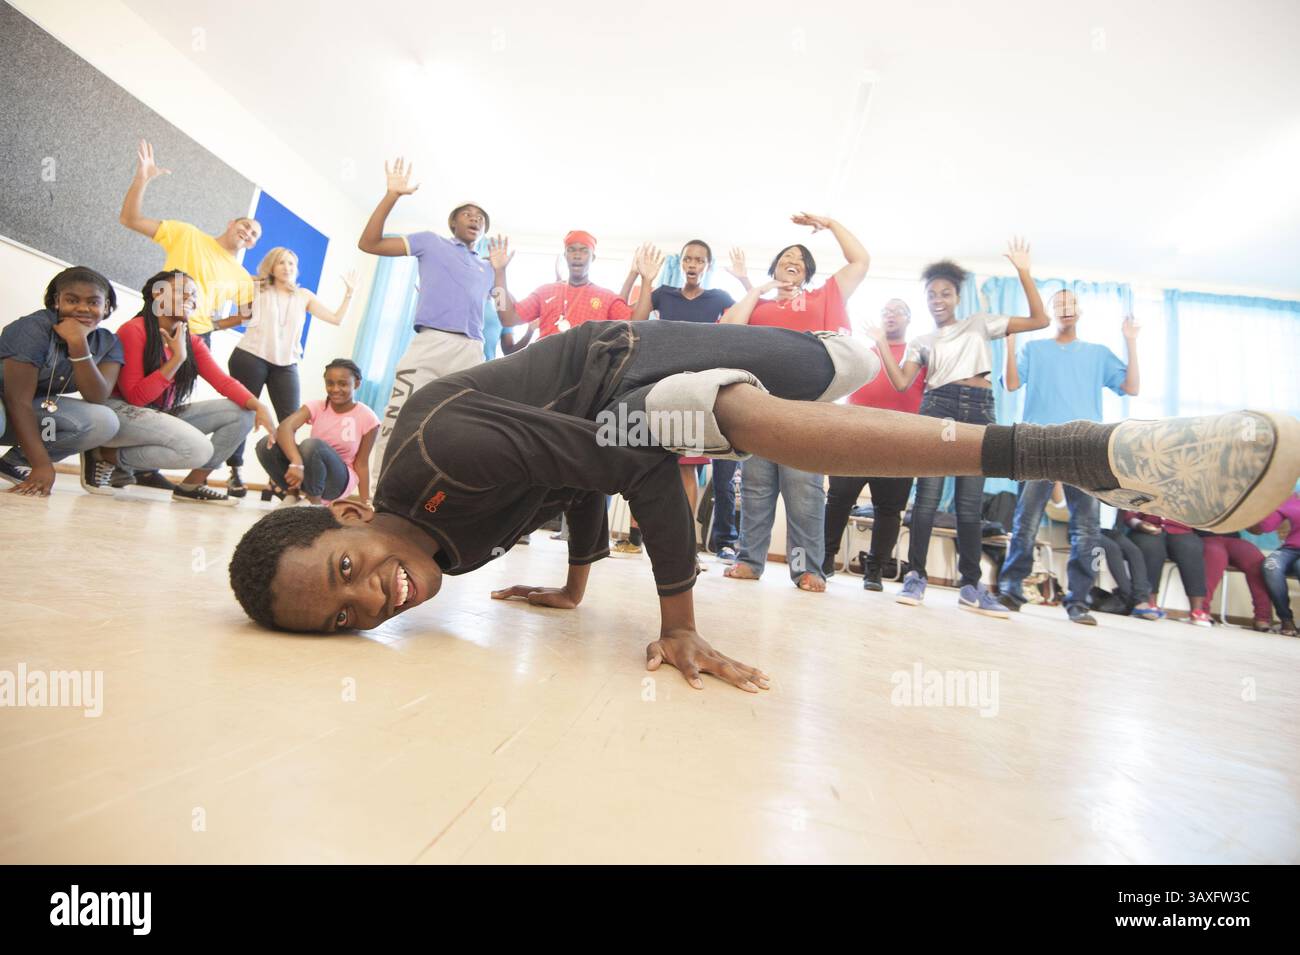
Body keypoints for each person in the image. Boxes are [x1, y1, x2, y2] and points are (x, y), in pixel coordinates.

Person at [229, 319, 1299, 692]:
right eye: (348, 618)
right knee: (690, 419)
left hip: (651, 358)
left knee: (772, 388)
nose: (374, 598)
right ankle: (1087, 452)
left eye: (345, 574)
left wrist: (679, 623)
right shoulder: (435, 548)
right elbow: (564, 475)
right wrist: (574, 582)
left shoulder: (440, 453)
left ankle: (1023, 424)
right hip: (631, 402)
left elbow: (631, 467)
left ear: (345, 518)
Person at [870, 239, 1050, 616]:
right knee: (927, 498)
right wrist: (881, 343)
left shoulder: (979, 323)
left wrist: (1023, 271)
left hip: (979, 410)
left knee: (969, 505)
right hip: (938, 408)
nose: (938, 299)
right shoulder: (922, 341)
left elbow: (1040, 320)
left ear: (957, 297)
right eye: (931, 294)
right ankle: (915, 576)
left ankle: (970, 585)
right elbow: (902, 382)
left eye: (945, 293)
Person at [721, 214, 871, 591]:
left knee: (804, 494)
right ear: (775, 267)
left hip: (806, 410)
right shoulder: (757, 305)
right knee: (756, 491)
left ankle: (806, 568)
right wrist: (758, 289)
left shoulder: (824, 296)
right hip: (758, 408)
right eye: (787, 256)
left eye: (801, 259)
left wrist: (831, 224)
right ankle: (749, 561)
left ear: (808, 273)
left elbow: (860, 261)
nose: (794, 260)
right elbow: (726, 330)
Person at [357, 158, 513, 480]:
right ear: (452, 223)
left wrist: (500, 271)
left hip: (470, 352)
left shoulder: (486, 268)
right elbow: (368, 243)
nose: (475, 218)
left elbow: (503, 310)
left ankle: (441, 496)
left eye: (481, 217)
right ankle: (378, 493)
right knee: (399, 417)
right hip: (430, 344)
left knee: (461, 430)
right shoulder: (430, 242)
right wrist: (392, 196)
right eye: (467, 213)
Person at [997, 290, 1142, 625]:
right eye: (1059, 304)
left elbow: (1131, 387)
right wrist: (1009, 343)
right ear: (1051, 313)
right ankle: (1010, 591)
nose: (1065, 308)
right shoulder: (1034, 349)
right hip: (1038, 443)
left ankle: (1078, 601)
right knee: (1025, 522)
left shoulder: (1098, 353)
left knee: (1086, 528)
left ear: (1080, 311)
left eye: (1070, 303)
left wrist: (1130, 341)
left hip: (1084, 446)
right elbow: (1011, 384)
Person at [95, 271, 274, 504]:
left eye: (194, 294)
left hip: (157, 414)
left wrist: (259, 406)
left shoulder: (191, 341)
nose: (191, 298)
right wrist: (177, 359)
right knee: (197, 449)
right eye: (182, 291)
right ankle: (104, 455)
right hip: (121, 413)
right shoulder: (134, 330)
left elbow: (223, 382)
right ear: (158, 294)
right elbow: (136, 397)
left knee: (243, 413)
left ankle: (192, 485)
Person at [223, 247, 358, 497]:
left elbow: (336, 319)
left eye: (292, 264)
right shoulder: (257, 288)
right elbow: (238, 309)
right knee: (243, 415)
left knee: (290, 422)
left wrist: (350, 294)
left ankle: (278, 479)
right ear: (271, 266)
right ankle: (235, 471)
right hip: (250, 357)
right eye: (281, 263)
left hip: (286, 364)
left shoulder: (304, 296)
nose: (287, 267)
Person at [822, 299, 925, 589]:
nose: (890, 315)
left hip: (899, 440)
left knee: (888, 509)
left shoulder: (917, 356)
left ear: (909, 319)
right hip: (855, 435)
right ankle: (825, 559)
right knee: (838, 498)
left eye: (898, 311)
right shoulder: (864, 354)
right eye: (885, 311)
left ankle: (875, 570)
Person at [118, 139, 259, 343]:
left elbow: (248, 314)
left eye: (254, 234)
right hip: (156, 321)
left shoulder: (242, 276)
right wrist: (142, 179)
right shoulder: (187, 235)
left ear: (251, 245)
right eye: (246, 225)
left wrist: (215, 325)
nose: (248, 232)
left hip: (196, 337)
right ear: (231, 224)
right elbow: (130, 219)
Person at [0, 267, 123, 496]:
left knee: (104, 421)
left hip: (31, 407)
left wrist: (78, 345)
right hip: (9, 402)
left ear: (106, 306)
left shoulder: (109, 342)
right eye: (72, 300)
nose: (83, 308)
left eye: (93, 302)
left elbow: (97, 396)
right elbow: (17, 400)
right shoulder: (33, 328)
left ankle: (15, 461)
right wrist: (42, 465)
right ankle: (34, 461)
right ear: (57, 301)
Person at [257, 359, 379, 507]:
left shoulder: (368, 417)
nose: (335, 389)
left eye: (343, 384)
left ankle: (313, 503)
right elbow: (285, 427)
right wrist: (296, 462)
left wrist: (366, 503)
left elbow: (361, 464)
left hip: (337, 482)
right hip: (310, 475)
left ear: (357, 384)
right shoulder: (316, 406)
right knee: (267, 444)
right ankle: (291, 495)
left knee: (311, 446)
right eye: (330, 383)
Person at [496, 232, 660, 337]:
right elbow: (507, 318)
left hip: (585, 373)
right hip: (544, 370)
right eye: (572, 250)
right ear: (565, 255)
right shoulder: (545, 291)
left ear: (592, 257)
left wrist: (647, 280)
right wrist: (499, 272)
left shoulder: (606, 297)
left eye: (584, 250)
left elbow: (636, 326)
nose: (577, 255)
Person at [1122, 511, 1212, 626]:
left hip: (1180, 529)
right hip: (1145, 527)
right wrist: (1138, 524)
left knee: (1191, 548)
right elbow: (1128, 512)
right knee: (1150, 547)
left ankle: (1197, 610)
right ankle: (1150, 604)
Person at [1198, 531, 1273, 631]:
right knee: (1215, 556)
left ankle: (1262, 617)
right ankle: (1202, 611)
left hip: (1233, 538)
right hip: (1205, 537)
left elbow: (1256, 530)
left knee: (1256, 560)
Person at [1254, 492, 1300, 636]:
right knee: (1270, 566)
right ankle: (1286, 619)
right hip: (1290, 550)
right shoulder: (1290, 499)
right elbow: (1266, 527)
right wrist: (1273, 503)